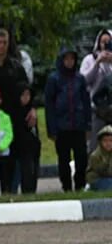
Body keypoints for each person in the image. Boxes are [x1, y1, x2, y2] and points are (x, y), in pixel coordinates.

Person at [45, 47, 91, 192]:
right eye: (67, 59)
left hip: (78, 126)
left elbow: (86, 102)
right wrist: (51, 129)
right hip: (61, 127)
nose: (69, 62)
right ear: (62, 60)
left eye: (72, 59)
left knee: (81, 158)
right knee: (63, 159)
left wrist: (87, 124)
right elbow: (49, 105)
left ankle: (80, 184)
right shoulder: (54, 79)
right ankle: (66, 186)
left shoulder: (80, 79)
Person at [0, 27, 33, 193]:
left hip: (17, 116)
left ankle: (26, 190)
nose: (2, 46)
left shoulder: (16, 66)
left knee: (23, 154)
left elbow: (27, 89)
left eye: (5, 43)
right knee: (3, 158)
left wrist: (30, 106)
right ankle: (4, 189)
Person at [80, 29, 112, 150]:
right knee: (93, 145)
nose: (105, 45)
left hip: (111, 107)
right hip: (95, 109)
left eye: (109, 42)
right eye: (103, 42)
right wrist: (97, 62)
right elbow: (84, 80)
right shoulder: (89, 59)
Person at [17, 86, 41, 193]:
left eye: (28, 95)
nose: (26, 98)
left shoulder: (31, 112)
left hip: (33, 144)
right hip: (21, 145)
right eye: (23, 95)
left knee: (33, 169)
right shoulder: (17, 112)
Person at [0, 89, 15, 193]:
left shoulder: (5, 117)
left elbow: (9, 134)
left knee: (4, 176)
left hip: (3, 153)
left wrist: (1, 146)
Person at [86, 125, 112, 191]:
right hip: (97, 179)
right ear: (100, 142)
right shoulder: (95, 155)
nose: (108, 143)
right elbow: (104, 172)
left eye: (111, 140)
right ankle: (91, 188)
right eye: (105, 141)